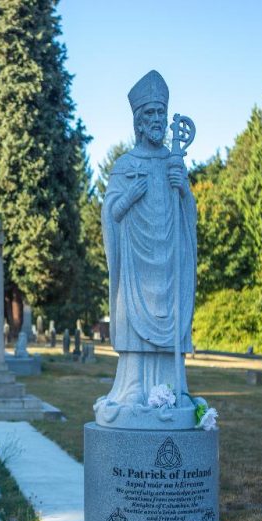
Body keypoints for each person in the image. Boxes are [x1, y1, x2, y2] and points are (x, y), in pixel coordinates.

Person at [95, 70, 197, 424]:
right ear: (138, 122)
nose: (156, 120)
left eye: (160, 114)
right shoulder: (126, 165)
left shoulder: (174, 163)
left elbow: (189, 220)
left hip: (170, 266)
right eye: (149, 115)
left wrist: (183, 190)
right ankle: (133, 391)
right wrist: (128, 197)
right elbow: (110, 214)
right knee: (135, 328)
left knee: (170, 322)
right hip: (137, 269)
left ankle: (173, 390)